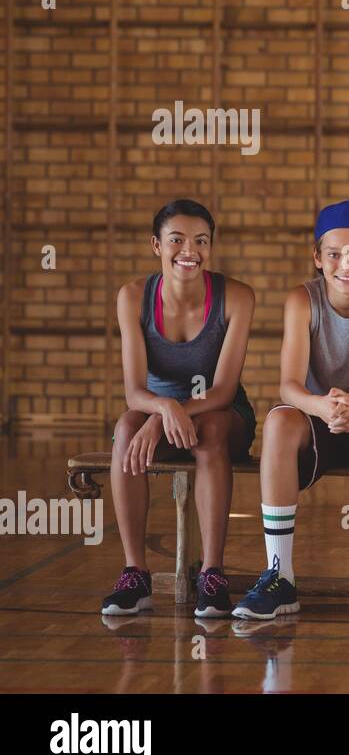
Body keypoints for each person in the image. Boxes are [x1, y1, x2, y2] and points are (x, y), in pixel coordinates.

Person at [234, 200, 349, 622]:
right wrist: (323, 406)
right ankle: (279, 574)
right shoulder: (302, 301)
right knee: (280, 419)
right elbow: (288, 386)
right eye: (335, 253)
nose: (348, 263)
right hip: (317, 418)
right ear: (318, 258)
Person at [102, 199, 256, 618]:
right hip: (158, 411)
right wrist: (160, 411)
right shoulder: (133, 296)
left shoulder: (236, 297)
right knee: (125, 428)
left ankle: (212, 574)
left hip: (222, 415)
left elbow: (223, 390)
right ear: (156, 245)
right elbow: (134, 391)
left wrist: (172, 413)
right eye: (177, 240)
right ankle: (135, 573)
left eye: (200, 241)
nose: (189, 250)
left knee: (211, 433)